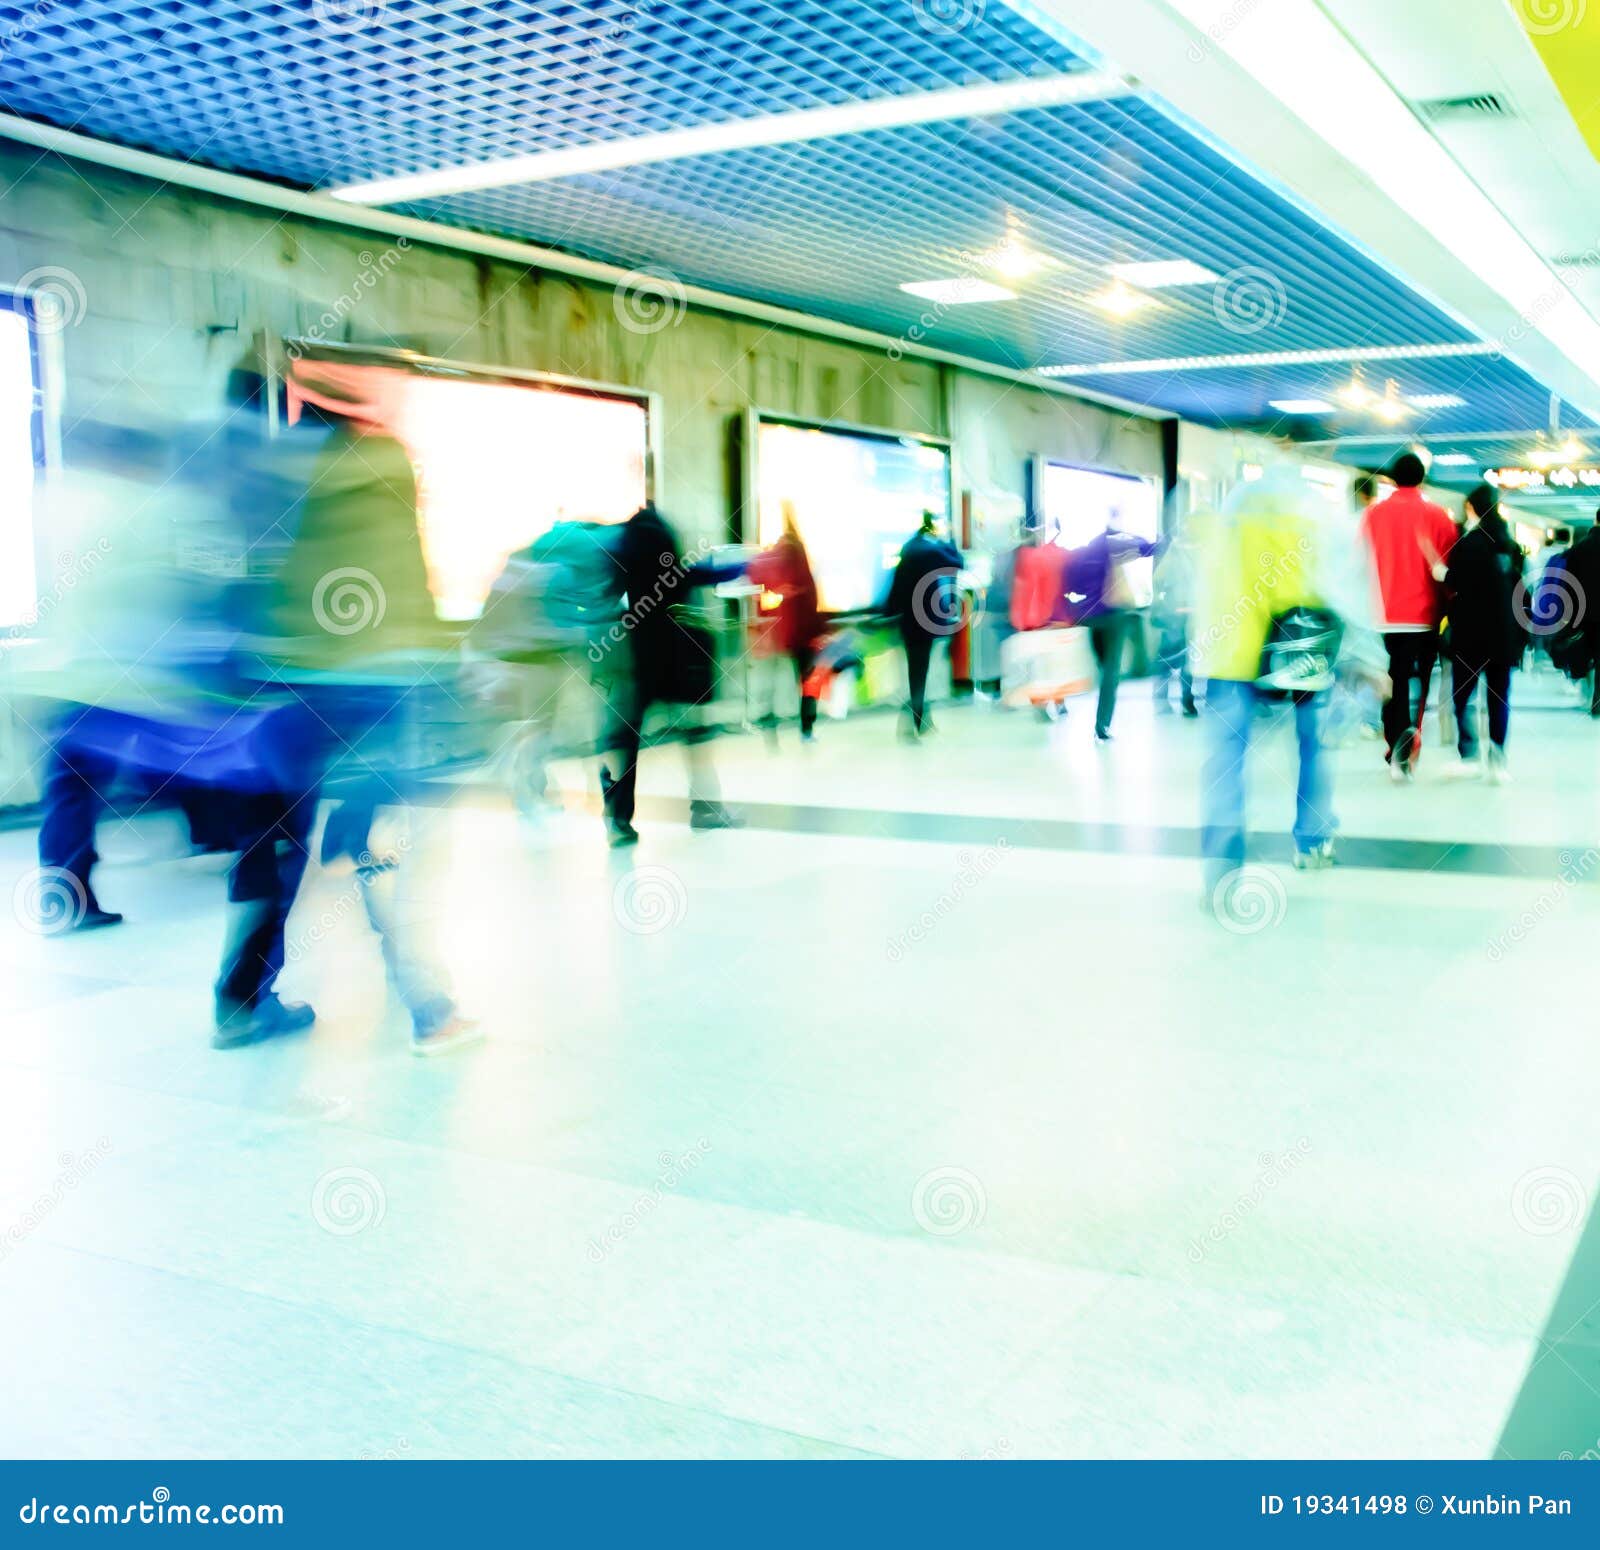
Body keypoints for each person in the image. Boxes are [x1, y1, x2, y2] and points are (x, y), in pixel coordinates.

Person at [1193, 470, 1387, 893]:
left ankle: (1221, 867)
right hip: (1299, 649)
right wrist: (1367, 656)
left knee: (1225, 761)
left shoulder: (1228, 516)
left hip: (1229, 651)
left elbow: (1205, 586)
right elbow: (1339, 590)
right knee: (1313, 746)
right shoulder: (1313, 516)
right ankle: (1312, 841)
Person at [597, 503, 745, 845]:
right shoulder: (670, 564)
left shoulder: (624, 559)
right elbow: (698, 574)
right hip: (675, 655)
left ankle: (618, 816)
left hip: (636, 658)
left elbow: (608, 597)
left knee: (625, 738)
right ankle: (706, 809)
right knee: (695, 732)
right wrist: (741, 566)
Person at [1360, 452, 1458, 780]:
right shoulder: (1438, 516)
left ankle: (1393, 748)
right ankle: (1408, 748)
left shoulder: (1372, 515)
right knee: (1420, 684)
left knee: (1392, 682)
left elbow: (1360, 562)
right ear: (1422, 479)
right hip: (1424, 616)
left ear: (1391, 479)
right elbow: (1447, 570)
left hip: (1382, 615)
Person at [1443, 485, 1525, 780]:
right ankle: (1498, 759)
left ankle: (1469, 755)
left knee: (1464, 694)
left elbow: (1456, 582)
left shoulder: (1470, 544)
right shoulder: (1510, 546)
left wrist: (1438, 572)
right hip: (1503, 635)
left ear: (1472, 509)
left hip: (1470, 634)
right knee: (1499, 697)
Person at [1064, 522, 1158, 742]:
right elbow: (1150, 548)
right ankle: (1102, 725)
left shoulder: (1083, 554)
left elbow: (1071, 586)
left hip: (1090, 617)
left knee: (1102, 666)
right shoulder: (1115, 546)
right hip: (1113, 616)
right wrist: (1130, 532)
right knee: (1111, 672)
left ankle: (1098, 714)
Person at [746, 505, 823, 741]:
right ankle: (805, 727)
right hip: (801, 631)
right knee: (807, 679)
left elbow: (761, 581)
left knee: (780, 680)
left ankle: (772, 725)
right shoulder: (796, 556)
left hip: (785, 630)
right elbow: (809, 598)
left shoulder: (781, 556)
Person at [884, 511, 964, 739]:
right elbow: (958, 561)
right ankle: (914, 720)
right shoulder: (930, 550)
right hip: (924, 619)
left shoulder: (909, 548)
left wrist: (889, 613)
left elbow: (896, 585)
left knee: (916, 671)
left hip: (907, 621)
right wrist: (949, 540)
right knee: (920, 671)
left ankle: (921, 719)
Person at [1151, 522, 1198, 717]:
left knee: (1168, 657)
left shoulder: (1175, 551)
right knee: (1189, 657)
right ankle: (1187, 701)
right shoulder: (1207, 551)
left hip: (1175, 612)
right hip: (1194, 612)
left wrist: (1162, 595)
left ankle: (1162, 700)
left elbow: (1158, 579)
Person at [1560, 513, 1600, 716]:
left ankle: (1587, 693)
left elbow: (1568, 584)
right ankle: (1597, 701)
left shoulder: (1579, 549)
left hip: (1584, 613)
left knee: (1587, 654)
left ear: (1596, 521)